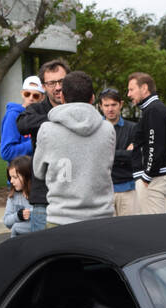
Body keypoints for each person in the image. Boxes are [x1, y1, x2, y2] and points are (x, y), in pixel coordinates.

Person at [33, 70, 115, 226]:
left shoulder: (47, 130)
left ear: (62, 96)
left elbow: (39, 171)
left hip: (60, 218)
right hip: (101, 218)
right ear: (92, 98)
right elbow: (107, 166)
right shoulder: (108, 129)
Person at [16, 58, 68, 231]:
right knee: (43, 253)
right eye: (51, 83)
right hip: (43, 197)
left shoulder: (80, 109)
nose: (58, 87)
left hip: (73, 197)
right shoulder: (35, 110)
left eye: (61, 81)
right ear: (44, 87)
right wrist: (59, 117)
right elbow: (22, 125)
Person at [127, 72, 166, 214]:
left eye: (131, 89)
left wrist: (146, 177)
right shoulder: (151, 109)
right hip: (152, 178)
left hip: (154, 179)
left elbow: (155, 146)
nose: (128, 94)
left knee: (155, 228)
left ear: (144, 88)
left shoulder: (153, 110)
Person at [99, 88, 140, 217]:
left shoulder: (133, 128)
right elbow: (96, 158)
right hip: (102, 191)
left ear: (121, 104)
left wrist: (107, 153)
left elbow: (135, 156)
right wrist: (123, 153)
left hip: (128, 189)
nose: (110, 109)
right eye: (106, 105)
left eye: (113, 105)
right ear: (100, 106)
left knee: (129, 231)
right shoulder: (95, 129)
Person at [0, 76, 43, 161]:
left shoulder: (43, 115)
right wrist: (36, 142)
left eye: (36, 96)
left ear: (42, 97)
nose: (31, 98)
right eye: (27, 94)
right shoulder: (13, 115)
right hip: (22, 172)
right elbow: (7, 152)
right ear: (22, 94)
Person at [2, 156, 34, 237]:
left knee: (16, 227)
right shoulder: (13, 196)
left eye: (15, 177)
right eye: (10, 177)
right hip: (19, 242)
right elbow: (6, 222)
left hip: (36, 240)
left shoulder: (38, 195)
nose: (11, 181)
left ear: (27, 176)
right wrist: (18, 216)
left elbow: (43, 220)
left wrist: (30, 213)